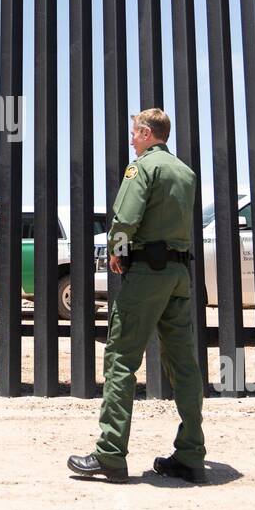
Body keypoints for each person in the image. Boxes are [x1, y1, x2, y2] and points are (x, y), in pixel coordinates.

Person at [68, 108, 208, 484]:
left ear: (147, 133)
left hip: (147, 274)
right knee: (183, 363)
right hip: (179, 275)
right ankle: (192, 454)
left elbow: (125, 220)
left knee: (121, 359)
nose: (131, 140)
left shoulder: (142, 168)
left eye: (134, 133)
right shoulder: (186, 172)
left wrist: (116, 252)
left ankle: (110, 454)